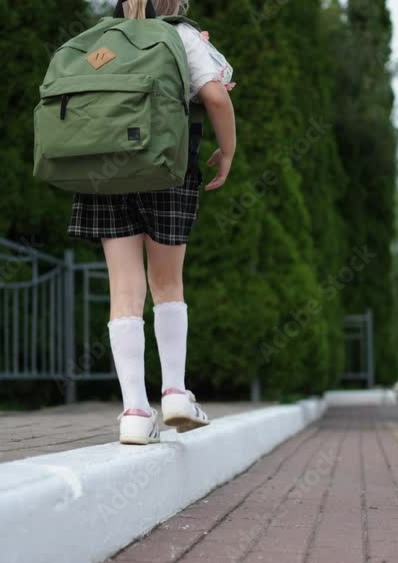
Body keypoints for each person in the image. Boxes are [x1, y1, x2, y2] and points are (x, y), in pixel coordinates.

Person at [66, 0, 237, 445]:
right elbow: (216, 96)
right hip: (166, 168)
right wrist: (228, 150)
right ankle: (176, 393)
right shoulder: (182, 37)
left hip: (104, 171)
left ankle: (135, 413)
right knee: (167, 284)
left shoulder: (99, 41)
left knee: (123, 290)